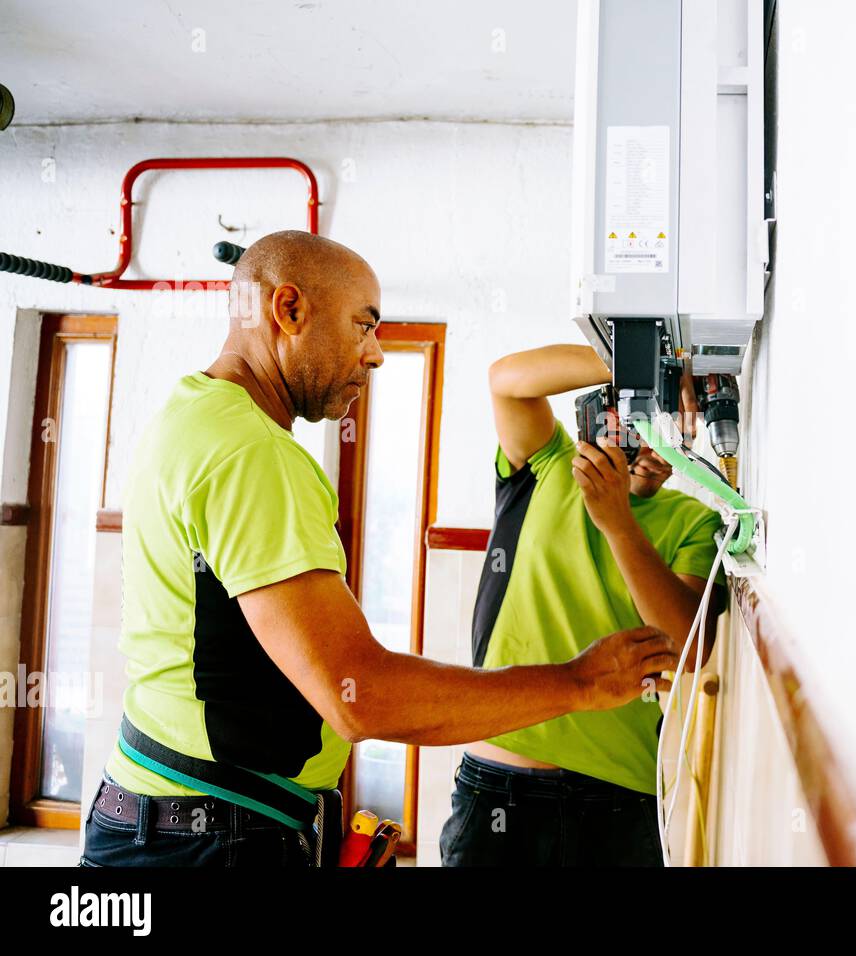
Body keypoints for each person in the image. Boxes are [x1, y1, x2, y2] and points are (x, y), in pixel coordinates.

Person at [80, 231, 677, 867]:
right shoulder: (252, 453)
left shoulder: (193, 414)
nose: (376, 355)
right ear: (289, 310)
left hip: (198, 817)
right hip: (207, 835)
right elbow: (358, 693)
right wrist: (581, 682)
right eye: (363, 327)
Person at [439, 343, 727, 866]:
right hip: (500, 786)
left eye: (670, 432)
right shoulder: (549, 463)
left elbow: (691, 644)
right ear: (608, 417)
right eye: (641, 424)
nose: (652, 446)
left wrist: (618, 522)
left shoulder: (695, 521)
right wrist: (652, 362)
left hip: (617, 798)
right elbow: (506, 378)